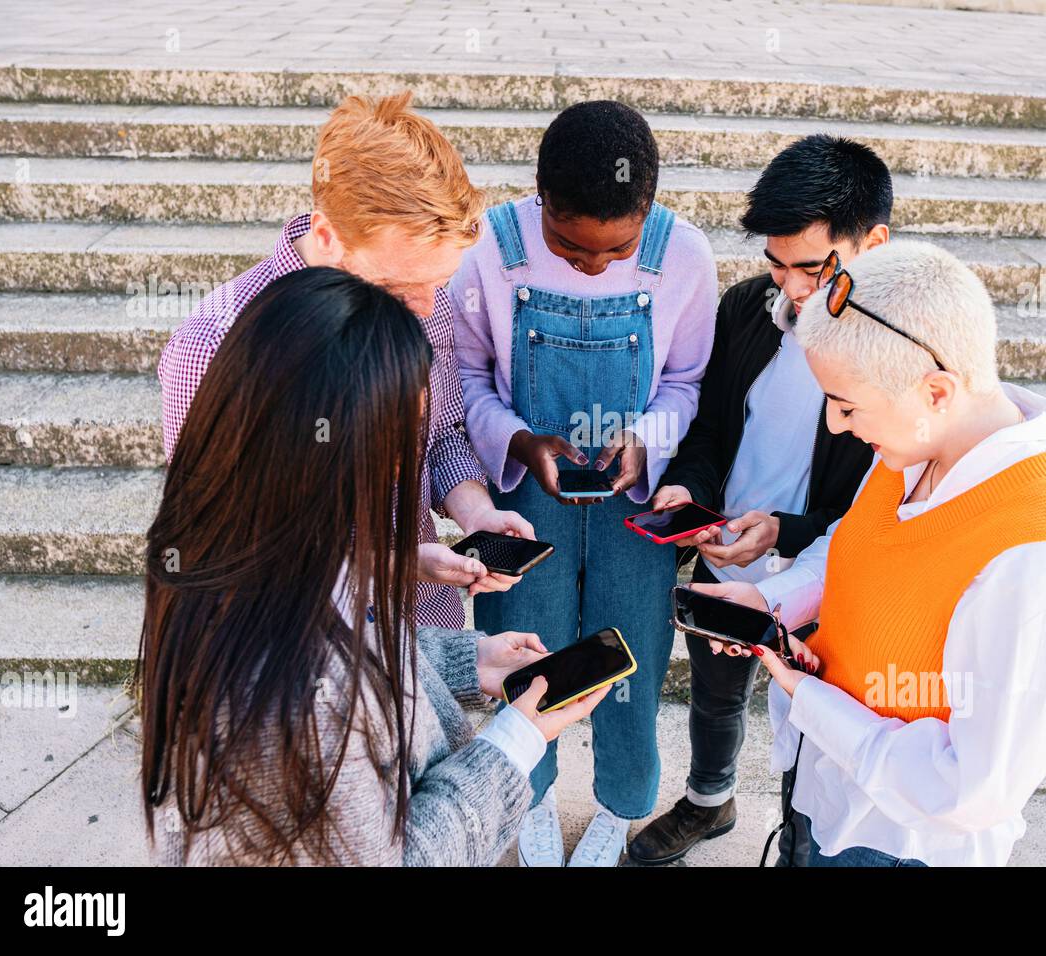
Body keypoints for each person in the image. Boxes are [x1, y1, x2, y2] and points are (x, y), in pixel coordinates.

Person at [139, 267, 607, 866]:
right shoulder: (292, 692)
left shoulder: (252, 555)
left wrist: (467, 663)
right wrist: (515, 741)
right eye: (397, 441)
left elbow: (355, 652)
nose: (401, 468)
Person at [697, 240, 1046, 867]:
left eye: (846, 405)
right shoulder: (910, 447)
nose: (833, 426)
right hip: (826, 788)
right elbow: (852, 546)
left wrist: (813, 700)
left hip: (899, 841)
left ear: (936, 390)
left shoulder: (1031, 558)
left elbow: (971, 788)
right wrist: (769, 601)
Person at [449, 101, 718, 866]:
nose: (595, 265)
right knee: (526, 654)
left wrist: (648, 440)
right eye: (569, 248)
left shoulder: (685, 256)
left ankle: (618, 808)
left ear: (649, 211)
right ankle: (525, 797)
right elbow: (468, 376)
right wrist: (518, 440)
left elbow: (687, 380)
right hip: (526, 499)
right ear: (540, 197)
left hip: (634, 507)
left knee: (630, 652)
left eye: (615, 249)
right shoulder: (490, 252)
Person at [158, 91, 531, 630]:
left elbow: (444, 430)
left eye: (440, 283)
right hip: (293, 647)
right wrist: (396, 565)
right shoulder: (214, 345)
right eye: (399, 289)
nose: (425, 309)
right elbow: (223, 547)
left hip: (421, 620)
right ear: (327, 236)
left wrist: (477, 513)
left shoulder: (425, 297)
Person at [629, 136, 889, 865]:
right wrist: (689, 491)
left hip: (829, 578)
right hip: (725, 550)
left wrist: (785, 531)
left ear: (873, 243)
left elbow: (881, 507)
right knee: (714, 695)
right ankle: (709, 802)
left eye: (811, 267)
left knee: (811, 723)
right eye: (777, 264)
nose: (792, 287)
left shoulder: (892, 348)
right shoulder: (749, 309)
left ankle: (800, 837)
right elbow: (710, 431)